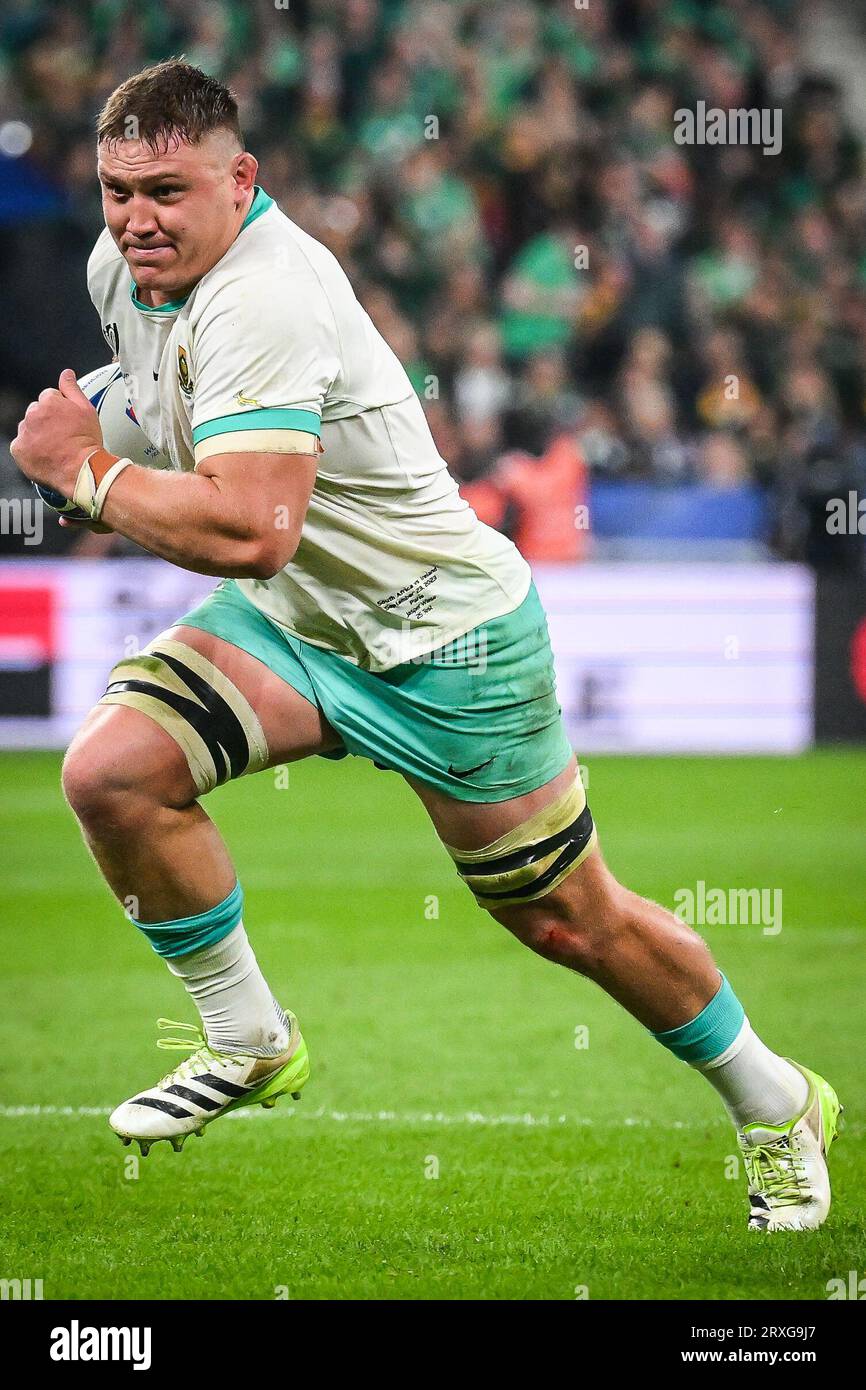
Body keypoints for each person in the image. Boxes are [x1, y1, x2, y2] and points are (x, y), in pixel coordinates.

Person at [11, 61, 840, 1230]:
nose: (136, 218)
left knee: (567, 919)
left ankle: (774, 1100)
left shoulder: (270, 293)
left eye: (166, 190)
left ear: (239, 179)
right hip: (303, 618)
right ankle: (250, 1038)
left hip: (442, 634)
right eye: (114, 189)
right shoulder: (121, 270)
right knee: (111, 772)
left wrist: (87, 474)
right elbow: (182, 418)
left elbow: (251, 526)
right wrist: (105, 431)